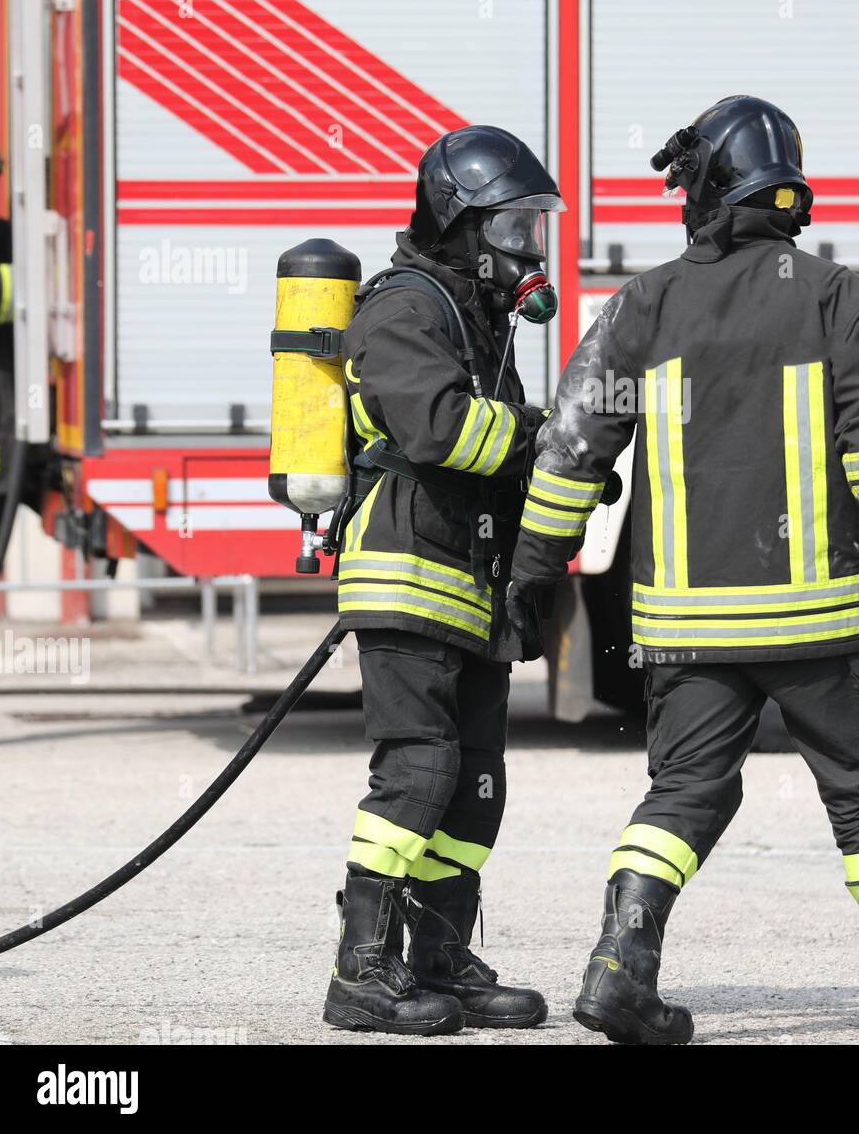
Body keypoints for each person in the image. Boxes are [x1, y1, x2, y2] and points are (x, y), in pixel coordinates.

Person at [508, 95, 859, 1044]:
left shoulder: (640, 306)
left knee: (685, 790)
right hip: (822, 623)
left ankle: (619, 966)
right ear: (787, 195)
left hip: (690, 630)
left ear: (700, 190)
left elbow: (570, 450)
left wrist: (533, 568)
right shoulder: (834, 296)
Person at [324, 125, 560, 1036]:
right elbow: (439, 431)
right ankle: (361, 972)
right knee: (418, 773)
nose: (531, 248)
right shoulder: (403, 307)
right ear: (464, 224)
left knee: (474, 787)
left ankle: (437, 958)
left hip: (467, 585)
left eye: (536, 226)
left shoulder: (478, 311)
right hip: (406, 579)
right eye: (516, 226)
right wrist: (540, 443)